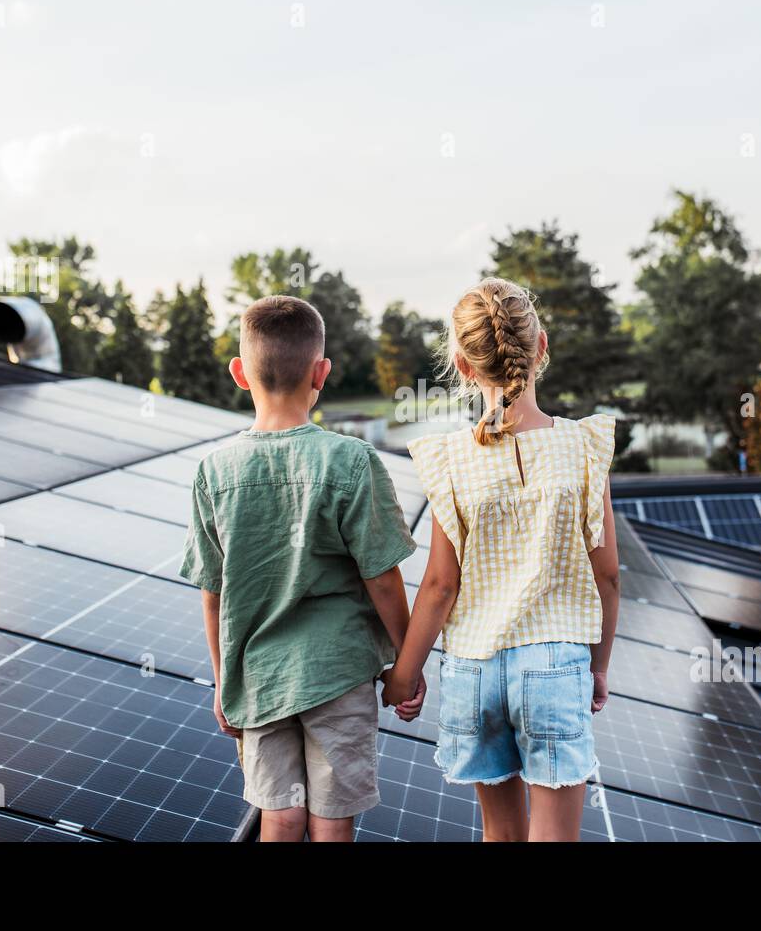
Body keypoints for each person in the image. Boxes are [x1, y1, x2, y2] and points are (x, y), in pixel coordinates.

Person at [382, 277, 620, 842]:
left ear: (463, 366)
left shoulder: (450, 460)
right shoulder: (584, 447)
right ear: (540, 348)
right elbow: (607, 575)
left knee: (501, 836)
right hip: (555, 662)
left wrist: (404, 675)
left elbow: (440, 585)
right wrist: (600, 663)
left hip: (472, 669)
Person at [181, 294, 424, 842]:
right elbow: (383, 578)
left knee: (280, 815)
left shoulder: (213, 471)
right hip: (338, 673)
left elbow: (212, 590)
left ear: (240, 374)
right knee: (332, 819)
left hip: (259, 678)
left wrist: (225, 682)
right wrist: (406, 664)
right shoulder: (352, 461)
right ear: (323, 372)